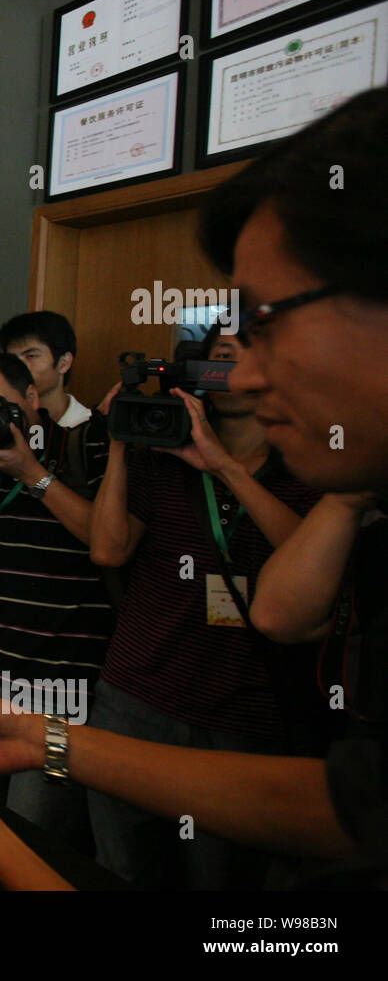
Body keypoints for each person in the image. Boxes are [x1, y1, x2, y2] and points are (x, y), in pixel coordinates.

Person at [0, 85, 388, 889]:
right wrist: (46, 744)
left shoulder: (93, 449)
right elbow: (345, 806)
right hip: (101, 688)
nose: (239, 371)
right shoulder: (341, 491)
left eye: (268, 320)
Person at [86, 323, 321, 887]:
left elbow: (318, 565)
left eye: (245, 357)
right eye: (218, 357)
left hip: (241, 714)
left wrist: (224, 467)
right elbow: (108, 547)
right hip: (136, 696)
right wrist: (123, 438)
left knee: (218, 883)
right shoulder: (160, 452)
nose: (227, 372)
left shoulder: (307, 464)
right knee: (120, 869)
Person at [0, 352, 112, 851]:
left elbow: (106, 541)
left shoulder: (86, 443)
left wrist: (30, 471)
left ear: (32, 398)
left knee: (33, 832)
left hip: (62, 683)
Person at [0, 311, 90, 428]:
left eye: (31, 356)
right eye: (12, 359)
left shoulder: (87, 427)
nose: (18, 367)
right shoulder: (2, 423)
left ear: (63, 363)